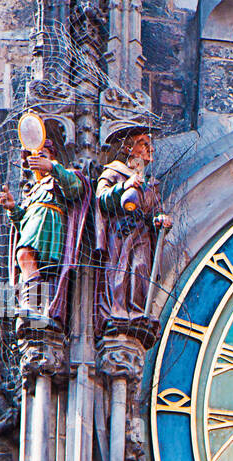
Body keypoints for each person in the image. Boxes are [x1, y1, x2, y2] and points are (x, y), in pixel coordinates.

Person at [0, 138, 83, 321]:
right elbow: (23, 223)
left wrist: (52, 167)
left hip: (49, 224)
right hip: (35, 225)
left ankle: (34, 304)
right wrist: (12, 208)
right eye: (35, 157)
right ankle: (33, 305)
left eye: (43, 155)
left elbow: (75, 189)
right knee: (27, 260)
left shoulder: (59, 176)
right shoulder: (32, 190)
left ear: (51, 157)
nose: (38, 159)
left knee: (24, 255)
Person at [95, 126, 173, 332]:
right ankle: (118, 310)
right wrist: (124, 186)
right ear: (129, 147)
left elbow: (155, 209)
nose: (150, 149)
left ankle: (137, 310)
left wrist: (160, 219)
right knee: (120, 270)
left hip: (142, 231)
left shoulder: (151, 185)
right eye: (144, 144)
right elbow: (100, 199)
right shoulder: (114, 171)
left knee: (139, 268)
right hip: (120, 231)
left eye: (150, 144)